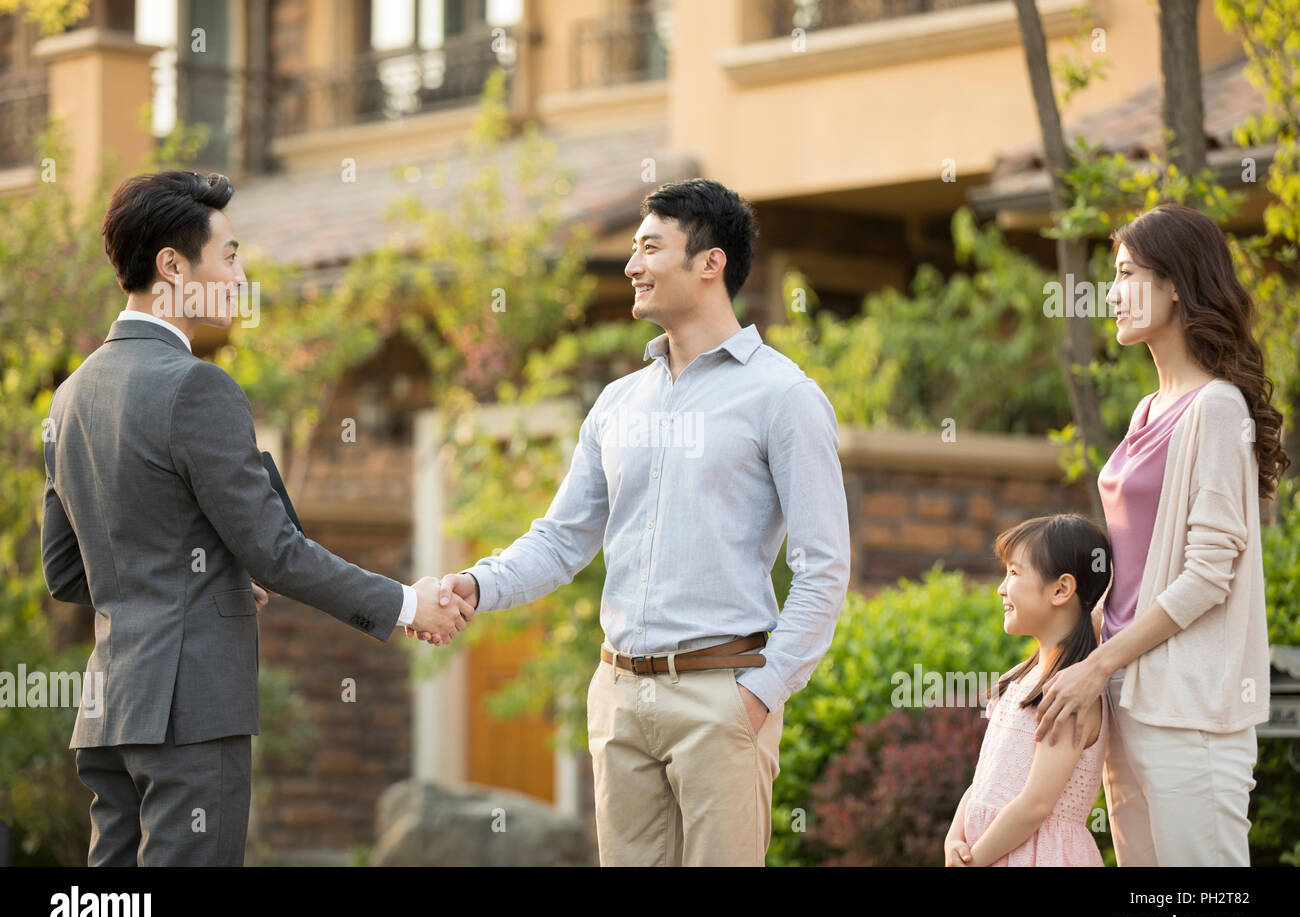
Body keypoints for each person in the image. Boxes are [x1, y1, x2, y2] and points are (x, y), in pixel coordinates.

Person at [415, 178, 852, 866]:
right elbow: (562, 539)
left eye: (650, 248)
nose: (631, 266)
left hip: (722, 694)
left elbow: (824, 566)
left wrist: (761, 694)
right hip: (618, 695)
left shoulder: (783, 396)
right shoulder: (619, 403)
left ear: (710, 264)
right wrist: (476, 585)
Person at [41, 170, 473, 866]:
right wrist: (405, 602)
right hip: (191, 712)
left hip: (108, 714)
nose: (242, 278)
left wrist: (202, 575)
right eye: (232, 256)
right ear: (173, 266)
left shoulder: (69, 398)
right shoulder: (195, 388)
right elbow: (276, 552)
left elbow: (69, 572)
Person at [1034, 202, 1290, 866]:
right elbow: (1132, 571)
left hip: (1190, 712)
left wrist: (1099, 664)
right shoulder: (1149, 408)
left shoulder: (1215, 408)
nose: (1111, 295)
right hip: (1127, 696)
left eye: (1126, 275)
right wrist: (1070, 652)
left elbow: (1209, 574)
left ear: (1176, 284)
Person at [946, 515, 1112, 867]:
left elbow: (1036, 804)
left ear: (1061, 589)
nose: (1001, 588)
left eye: (1015, 573)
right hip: (993, 850)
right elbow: (986, 779)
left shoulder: (1071, 696)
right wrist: (954, 838)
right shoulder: (1020, 679)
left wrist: (976, 860)